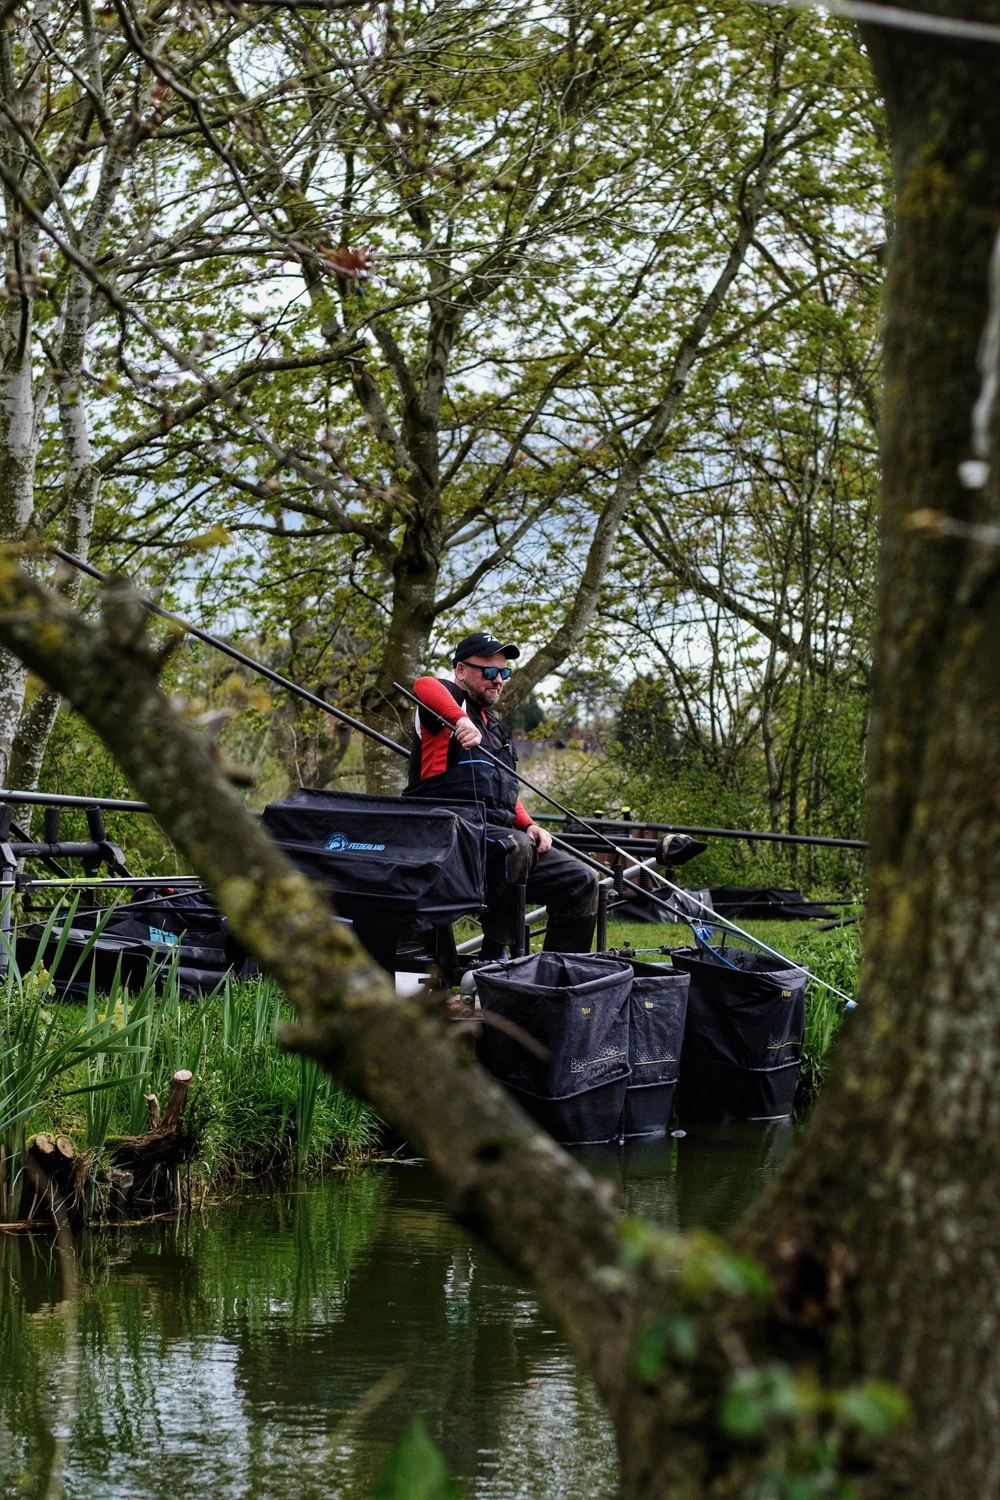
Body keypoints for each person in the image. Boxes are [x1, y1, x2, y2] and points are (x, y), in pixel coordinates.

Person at [405, 631, 600, 957]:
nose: (498, 680)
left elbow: (503, 792)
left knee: (582, 879)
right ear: (461, 671)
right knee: (515, 847)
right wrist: (459, 720)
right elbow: (424, 684)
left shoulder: (493, 728)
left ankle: (557, 977)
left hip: (498, 842)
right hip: (446, 839)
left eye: (504, 673)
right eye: (489, 672)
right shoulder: (447, 706)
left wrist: (528, 824)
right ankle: (497, 956)